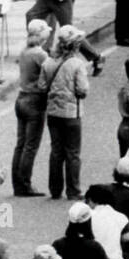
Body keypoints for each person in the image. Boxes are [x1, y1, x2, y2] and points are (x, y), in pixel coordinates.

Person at [38, 25, 90, 201]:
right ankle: (73, 190)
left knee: (56, 151)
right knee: (73, 153)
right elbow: (82, 89)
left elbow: (42, 86)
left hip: (53, 113)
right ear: (75, 45)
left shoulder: (48, 62)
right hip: (72, 114)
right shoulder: (77, 64)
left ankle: (55, 189)